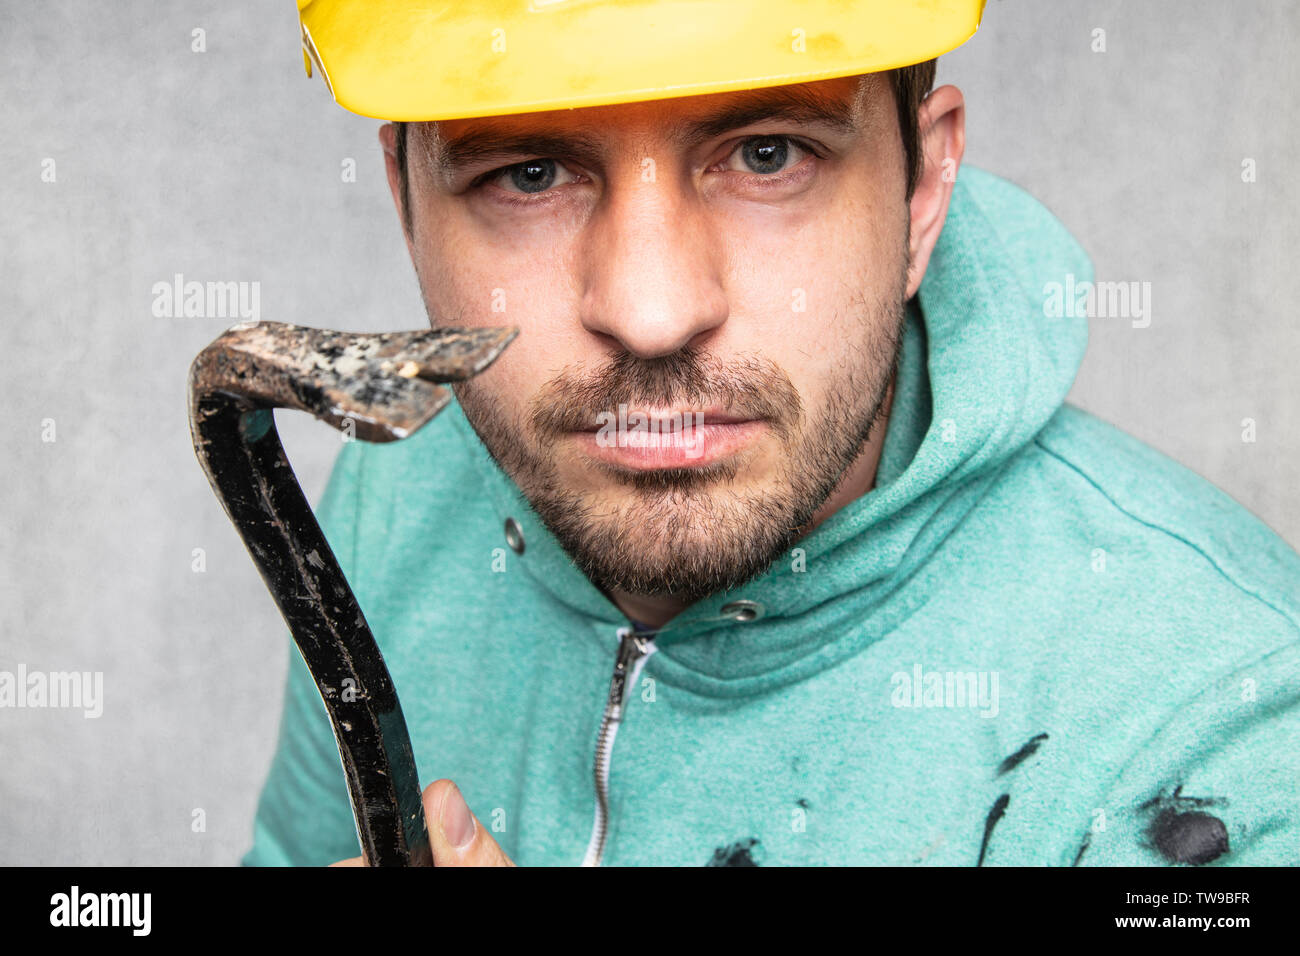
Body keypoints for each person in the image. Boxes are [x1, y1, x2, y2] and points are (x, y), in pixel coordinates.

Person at [244, 0, 1300, 866]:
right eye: (528, 173)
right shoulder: (395, 501)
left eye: (765, 153)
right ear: (403, 200)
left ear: (924, 189)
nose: (651, 310)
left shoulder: (1222, 721)